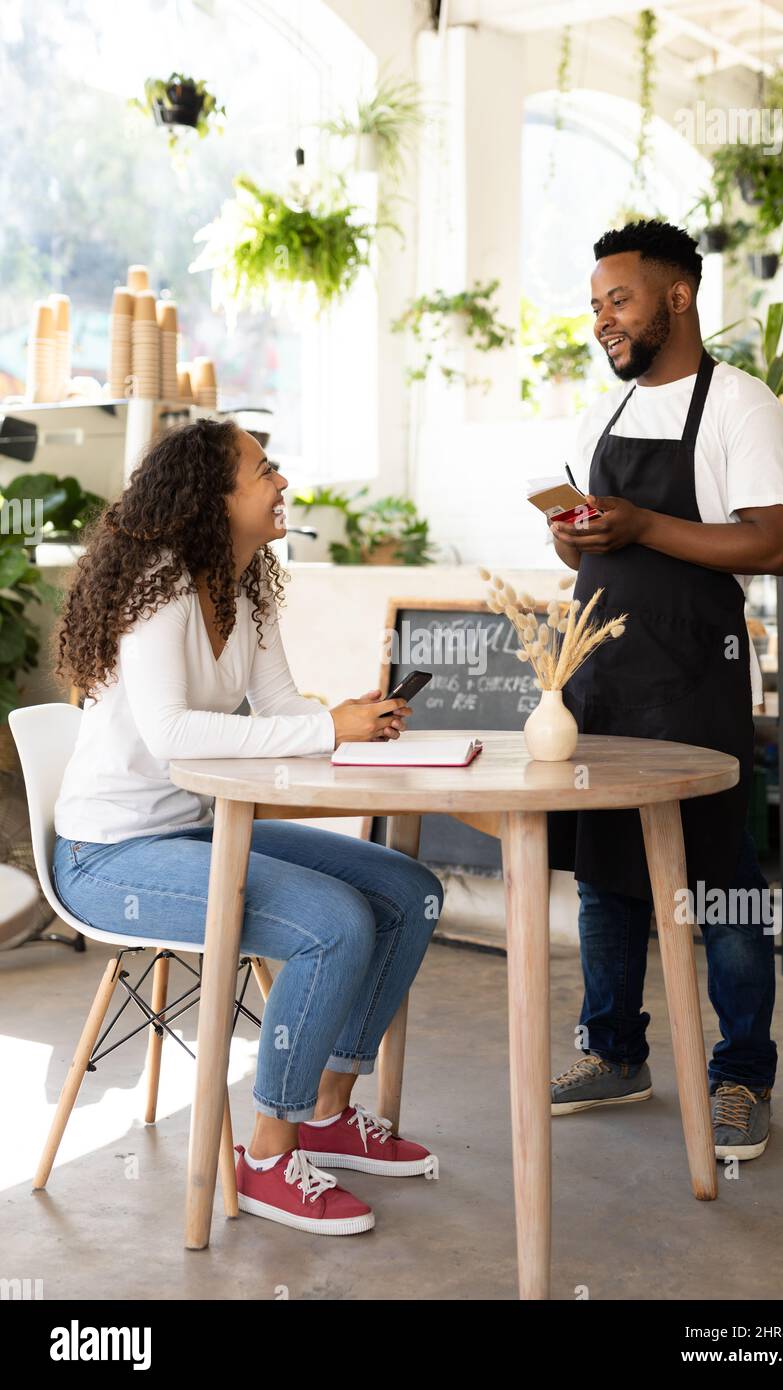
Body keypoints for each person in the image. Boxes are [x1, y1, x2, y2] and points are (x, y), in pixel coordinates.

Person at [51, 417, 444, 1237]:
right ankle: (266, 1157)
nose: (282, 483)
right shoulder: (159, 587)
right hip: (110, 855)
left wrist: (351, 719)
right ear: (213, 497)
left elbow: (278, 712)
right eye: (264, 471)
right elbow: (175, 736)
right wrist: (327, 729)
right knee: (334, 924)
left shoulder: (246, 584)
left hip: (200, 829)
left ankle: (329, 1109)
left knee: (408, 890)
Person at [546, 221, 783, 1161]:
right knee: (607, 878)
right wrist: (573, 535)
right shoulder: (597, 419)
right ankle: (615, 1054)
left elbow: (773, 544)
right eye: (595, 305)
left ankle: (741, 1076)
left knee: (722, 879)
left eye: (619, 300)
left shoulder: (741, 407)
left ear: (678, 297)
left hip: (697, 674)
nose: (603, 321)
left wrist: (645, 522)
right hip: (602, 672)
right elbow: (582, 538)